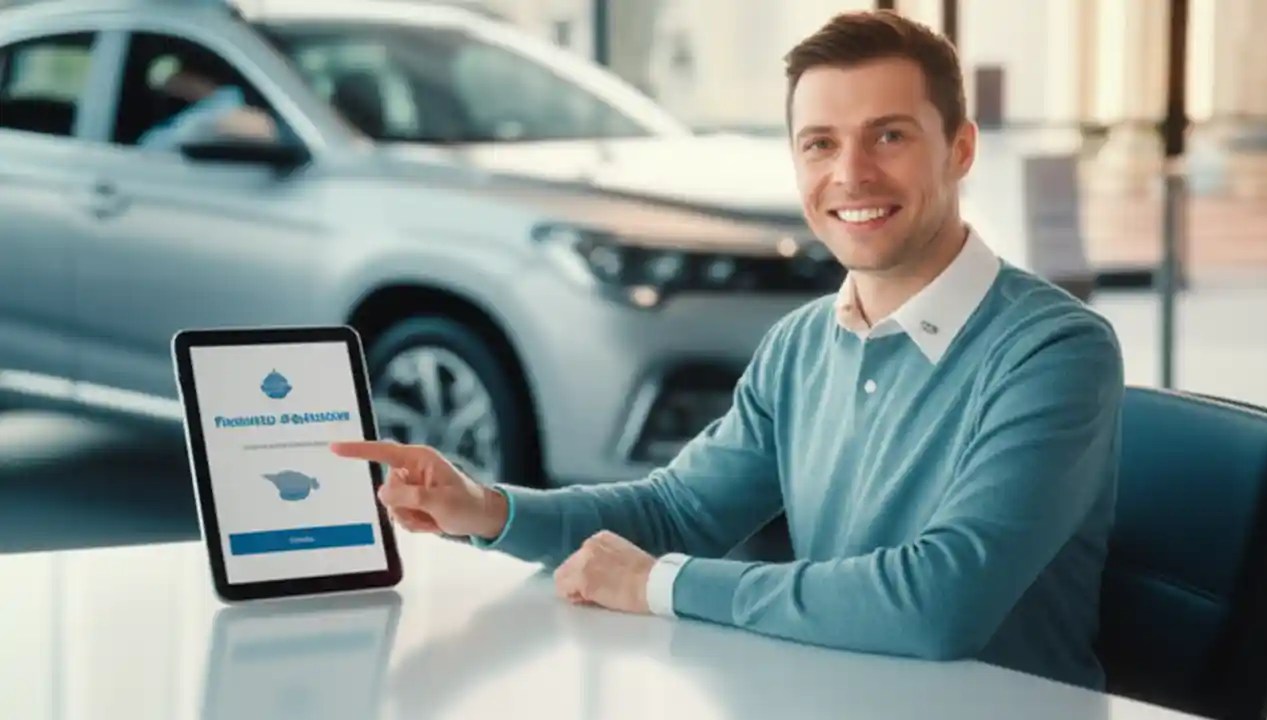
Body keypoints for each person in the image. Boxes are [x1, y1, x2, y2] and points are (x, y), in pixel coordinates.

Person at [331, 10, 1123, 691]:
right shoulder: (804, 343)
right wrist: (490, 508)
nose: (851, 174)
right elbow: (675, 512)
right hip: (831, 694)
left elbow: (940, 604)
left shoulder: (1055, 350)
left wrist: (661, 584)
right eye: (819, 144)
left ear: (959, 150)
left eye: (889, 136)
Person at [137, 55, 277, 150]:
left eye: (179, 77)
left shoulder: (231, 102)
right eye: (169, 85)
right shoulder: (188, 116)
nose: (179, 85)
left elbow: (264, 130)